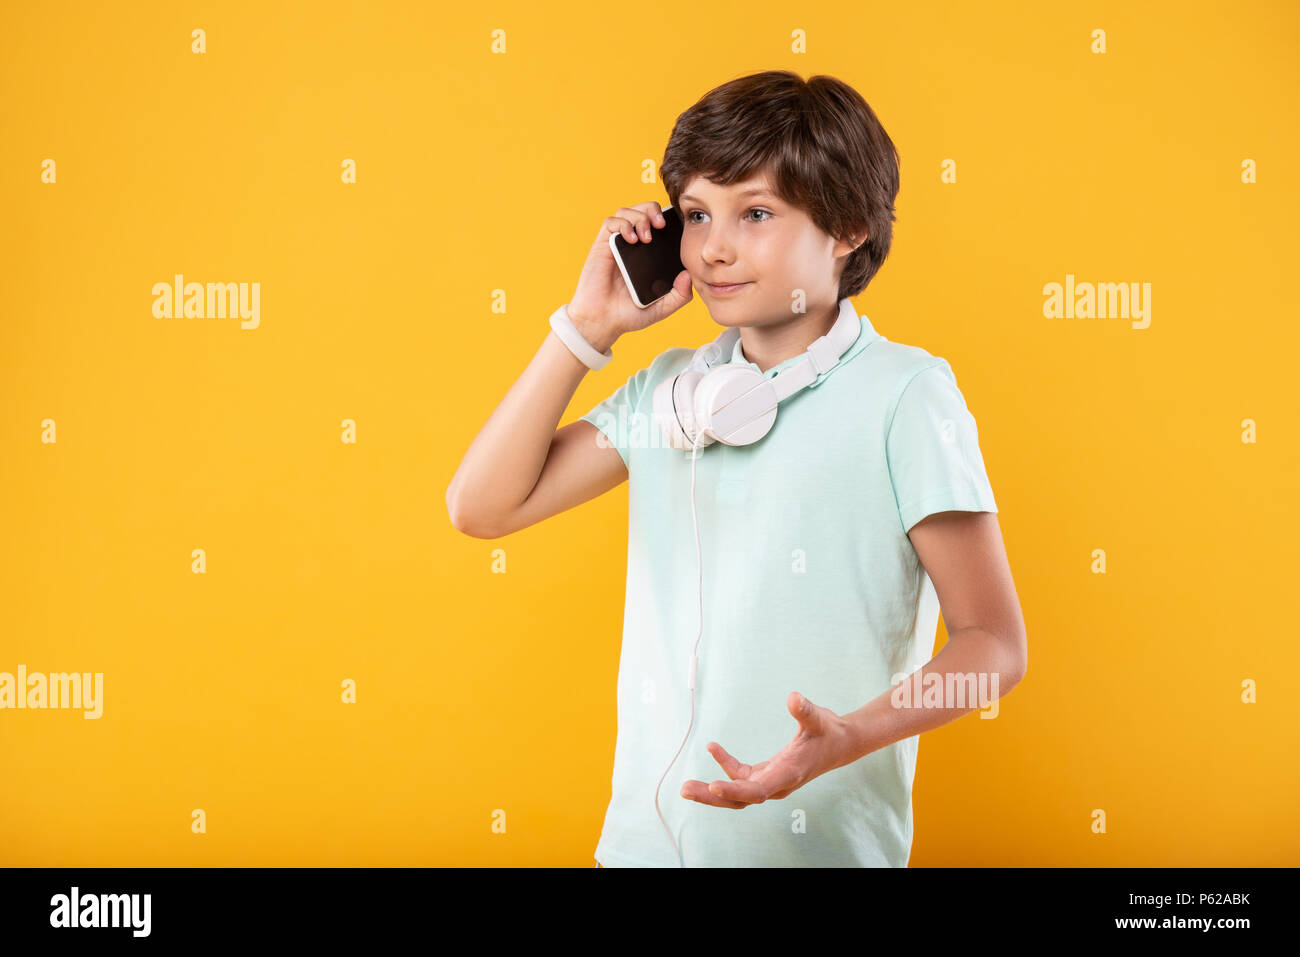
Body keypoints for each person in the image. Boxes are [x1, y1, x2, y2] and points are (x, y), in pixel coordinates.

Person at [446, 70, 1028, 867]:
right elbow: (480, 506)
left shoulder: (906, 396)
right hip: (641, 851)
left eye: (755, 213)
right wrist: (584, 329)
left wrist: (849, 736)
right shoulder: (672, 393)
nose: (713, 246)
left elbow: (994, 645)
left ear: (849, 225)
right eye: (694, 215)